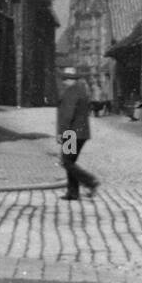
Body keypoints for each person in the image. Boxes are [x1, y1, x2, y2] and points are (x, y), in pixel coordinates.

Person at [54, 66, 100, 201]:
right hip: (81, 133)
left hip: (71, 133)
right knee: (70, 161)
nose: (63, 81)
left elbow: (68, 115)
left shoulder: (70, 92)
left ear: (69, 79)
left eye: (65, 79)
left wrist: (61, 133)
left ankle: (90, 181)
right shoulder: (81, 91)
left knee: (66, 161)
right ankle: (73, 193)